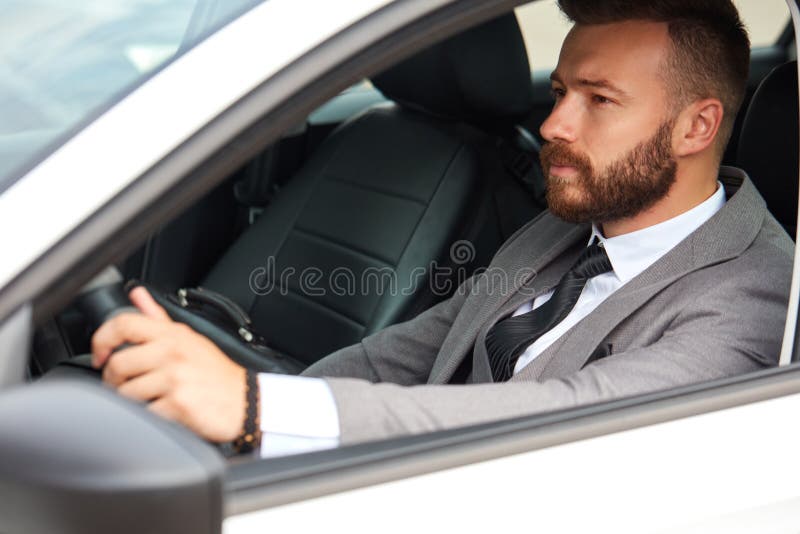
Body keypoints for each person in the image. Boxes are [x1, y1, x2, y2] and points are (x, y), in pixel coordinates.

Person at [91, 0, 793, 457]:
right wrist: (229, 428)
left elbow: (559, 417)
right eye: (559, 92)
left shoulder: (759, 299)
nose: (554, 124)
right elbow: (399, 356)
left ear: (696, 127)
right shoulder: (569, 228)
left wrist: (252, 407)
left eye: (599, 100)